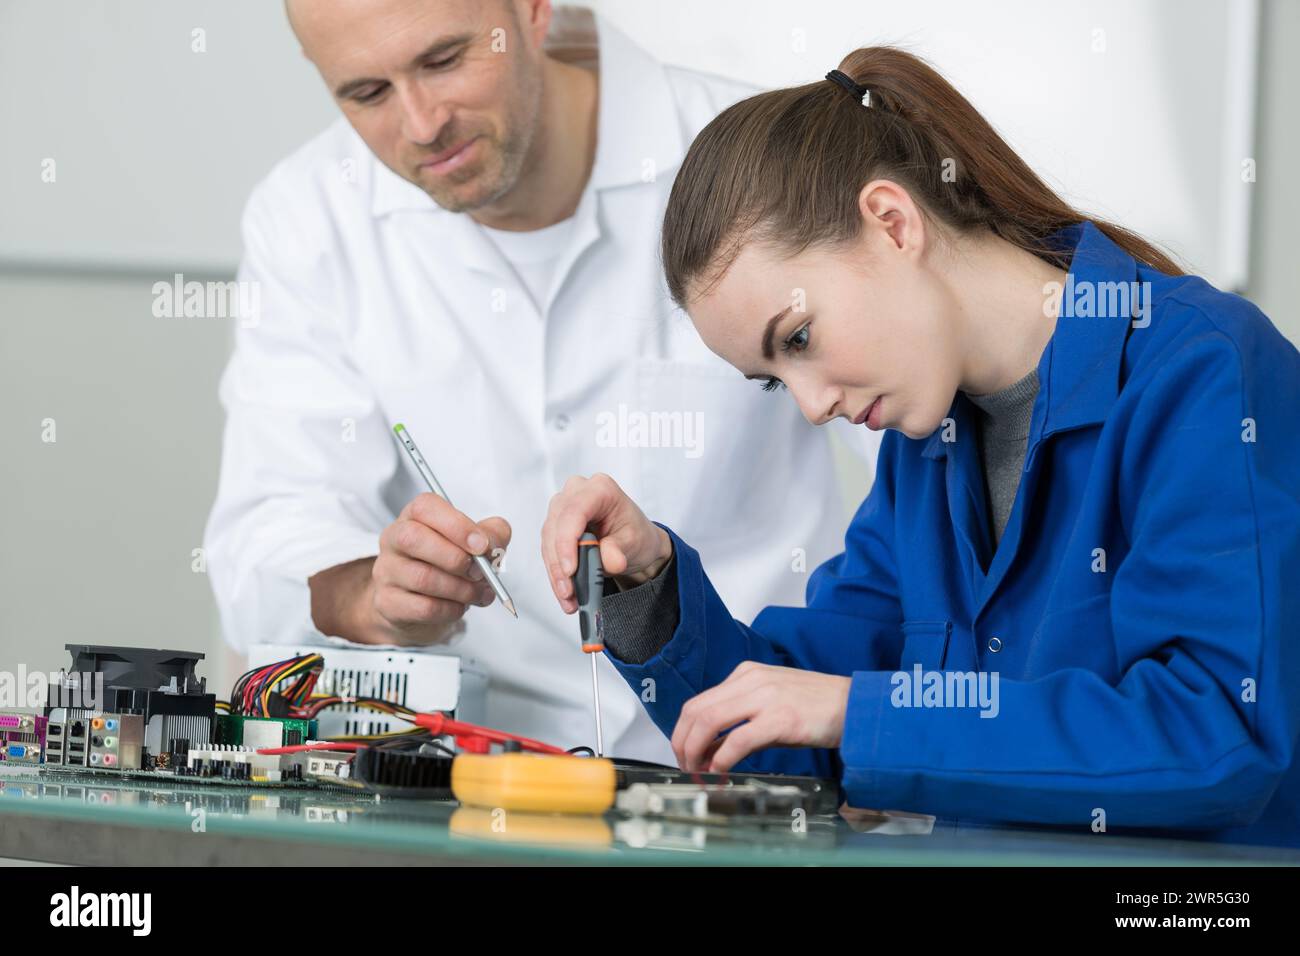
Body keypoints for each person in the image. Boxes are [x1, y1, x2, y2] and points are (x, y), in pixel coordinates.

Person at [541, 49, 1300, 845]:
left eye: (798, 338)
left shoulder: (1204, 371)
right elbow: (796, 725)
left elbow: (1216, 735)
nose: (810, 407)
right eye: (773, 379)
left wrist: (861, 714)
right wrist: (652, 590)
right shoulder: (927, 443)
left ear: (892, 222)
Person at [202, 1, 879, 760]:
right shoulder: (308, 217)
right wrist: (376, 595)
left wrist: (876, 715)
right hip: (481, 781)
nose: (422, 124)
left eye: (444, 60)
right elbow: (264, 535)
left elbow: (925, 467)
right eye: (367, 93)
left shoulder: (754, 158)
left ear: (531, 11)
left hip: (764, 763)